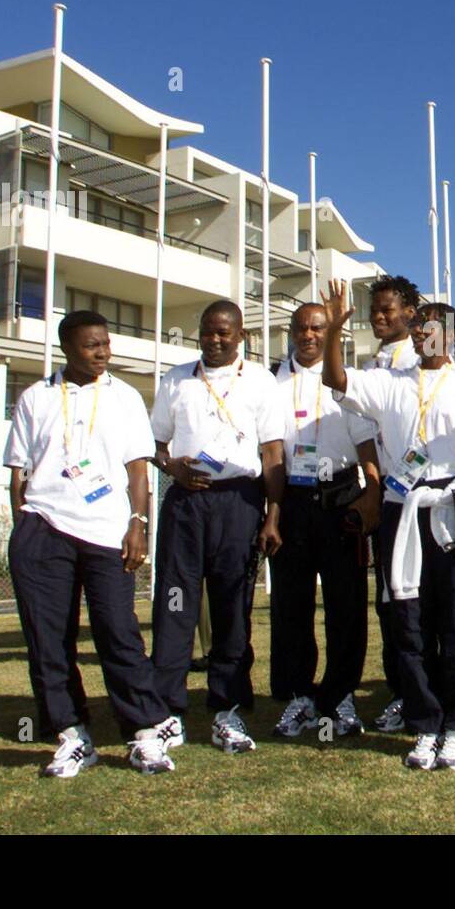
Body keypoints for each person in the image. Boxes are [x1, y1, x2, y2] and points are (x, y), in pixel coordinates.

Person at [323, 282, 455, 772]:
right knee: (409, 627)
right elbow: (337, 380)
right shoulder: (391, 382)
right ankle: (425, 725)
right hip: (401, 516)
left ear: (453, 336)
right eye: (421, 325)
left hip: (452, 515)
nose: (427, 334)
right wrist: (336, 331)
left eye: (437, 328)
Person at [4, 309, 177, 777]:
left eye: (105, 343)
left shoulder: (124, 398)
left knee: (118, 634)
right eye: (92, 345)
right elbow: (18, 472)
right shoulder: (35, 397)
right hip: (43, 527)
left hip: (106, 531)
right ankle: (71, 735)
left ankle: (144, 733)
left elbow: (138, 470)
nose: (102, 352)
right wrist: (22, 525)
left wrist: (138, 522)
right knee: (48, 640)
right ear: (67, 347)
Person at [149, 300, 284, 755]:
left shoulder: (262, 380)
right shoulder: (176, 379)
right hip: (187, 501)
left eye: (224, 332)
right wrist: (173, 468)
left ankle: (227, 707)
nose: (214, 339)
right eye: (207, 331)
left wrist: (271, 514)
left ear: (241, 336)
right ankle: (167, 709)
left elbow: (272, 454)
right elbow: (157, 446)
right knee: (175, 604)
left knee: (232, 606)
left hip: (239, 501)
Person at [269, 302, 382, 739]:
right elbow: (272, 451)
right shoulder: (273, 383)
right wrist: (273, 512)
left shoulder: (345, 380)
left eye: (318, 327)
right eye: (301, 328)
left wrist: (371, 495)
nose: (309, 335)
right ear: (291, 332)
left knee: (345, 603)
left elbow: (368, 447)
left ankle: (341, 697)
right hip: (293, 498)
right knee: (292, 603)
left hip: (340, 497)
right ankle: (299, 695)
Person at [364, 274, 422, 732]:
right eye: (375, 310)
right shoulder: (371, 365)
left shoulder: (421, 359)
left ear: (410, 312)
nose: (380, 317)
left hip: (426, 496)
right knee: (391, 600)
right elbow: (364, 430)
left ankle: (447, 690)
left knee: (434, 602)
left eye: (388, 309)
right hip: (389, 496)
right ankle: (402, 693)